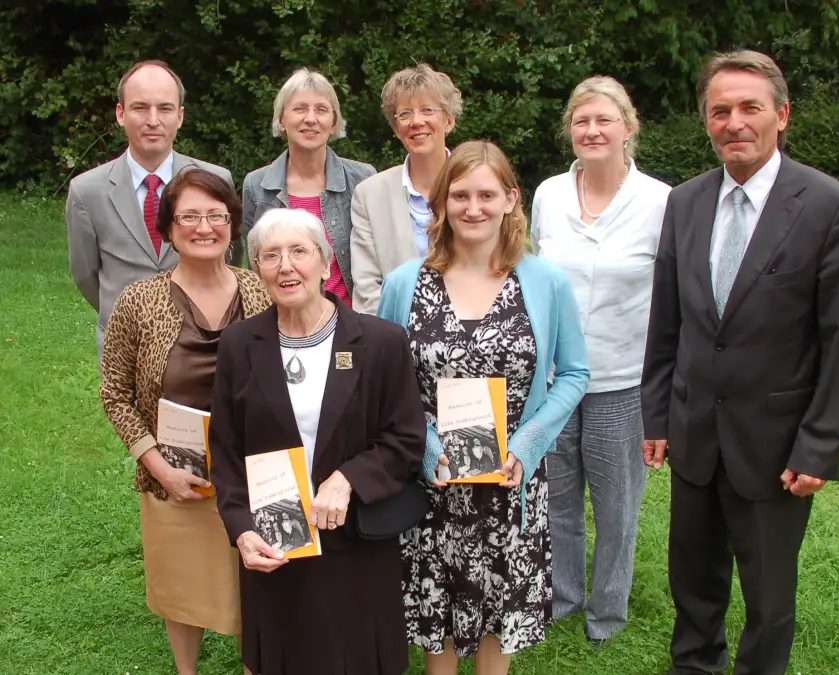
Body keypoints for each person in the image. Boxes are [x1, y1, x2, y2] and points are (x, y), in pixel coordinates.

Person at [641, 50, 839, 675]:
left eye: (749, 108)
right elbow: (667, 324)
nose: (734, 122)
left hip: (775, 446)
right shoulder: (685, 203)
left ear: (781, 115)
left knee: (768, 600)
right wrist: (656, 416)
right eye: (720, 111)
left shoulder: (828, 205)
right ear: (706, 121)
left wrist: (818, 446)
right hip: (692, 436)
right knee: (693, 587)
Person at [377, 141, 590, 675]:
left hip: (510, 480)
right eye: (460, 194)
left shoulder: (544, 281)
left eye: (487, 195)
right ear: (441, 202)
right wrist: (427, 449)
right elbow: (386, 382)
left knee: (503, 610)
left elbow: (574, 373)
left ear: (511, 199)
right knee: (436, 610)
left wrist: (528, 443)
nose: (474, 207)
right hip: (434, 483)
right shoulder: (406, 282)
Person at [208, 207, 427, 675]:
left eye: (298, 252)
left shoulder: (381, 342)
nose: (285, 266)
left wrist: (348, 479)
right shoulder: (239, 345)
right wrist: (242, 530)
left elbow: (406, 438)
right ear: (258, 271)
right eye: (270, 256)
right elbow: (225, 455)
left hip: (356, 546)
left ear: (326, 264)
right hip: (276, 549)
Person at [100, 169, 270, 675]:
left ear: (233, 226)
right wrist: (158, 467)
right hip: (177, 478)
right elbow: (114, 395)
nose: (203, 227)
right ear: (168, 229)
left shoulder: (261, 292)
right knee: (182, 585)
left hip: (255, 473)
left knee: (254, 580)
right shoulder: (139, 301)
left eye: (215, 216)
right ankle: (186, 670)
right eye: (189, 216)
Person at [531, 76, 671, 645]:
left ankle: (607, 611)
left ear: (628, 129)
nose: (592, 130)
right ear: (570, 129)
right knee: (557, 499)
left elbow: (675, 301)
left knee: (616, 507)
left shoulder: (662, 201)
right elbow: (534, 278)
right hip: (557, 379)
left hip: (624, 379)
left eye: (604, 120)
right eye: (582, 121)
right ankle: (564, 597)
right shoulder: (548, 194)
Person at [66, 60, 234, 362]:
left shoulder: (216, 181)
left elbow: (230, 259)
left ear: (180, 116)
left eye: (165, 108)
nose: (153, 120)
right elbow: (85, 274)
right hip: (125, 345)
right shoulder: (87, 191)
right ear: (121, 113)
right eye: (140, 108)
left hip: (204, 343)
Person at [242, 67, 375, 303]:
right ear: (282, 119)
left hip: (349, 324)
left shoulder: (363, 179)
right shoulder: (257, 185)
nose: (310, 119)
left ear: (334, 122)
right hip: (281, 320)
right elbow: (253, 267)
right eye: (299, 108)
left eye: (321, 110)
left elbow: (376, 262)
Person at [350, 63, 463, 314]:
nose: (416, 121)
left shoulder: (475, 186)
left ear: (449, 120)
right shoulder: (369, 194)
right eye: (405, 114)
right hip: (394, 338)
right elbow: (367, 287)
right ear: (396, 127)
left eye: (427, 110)